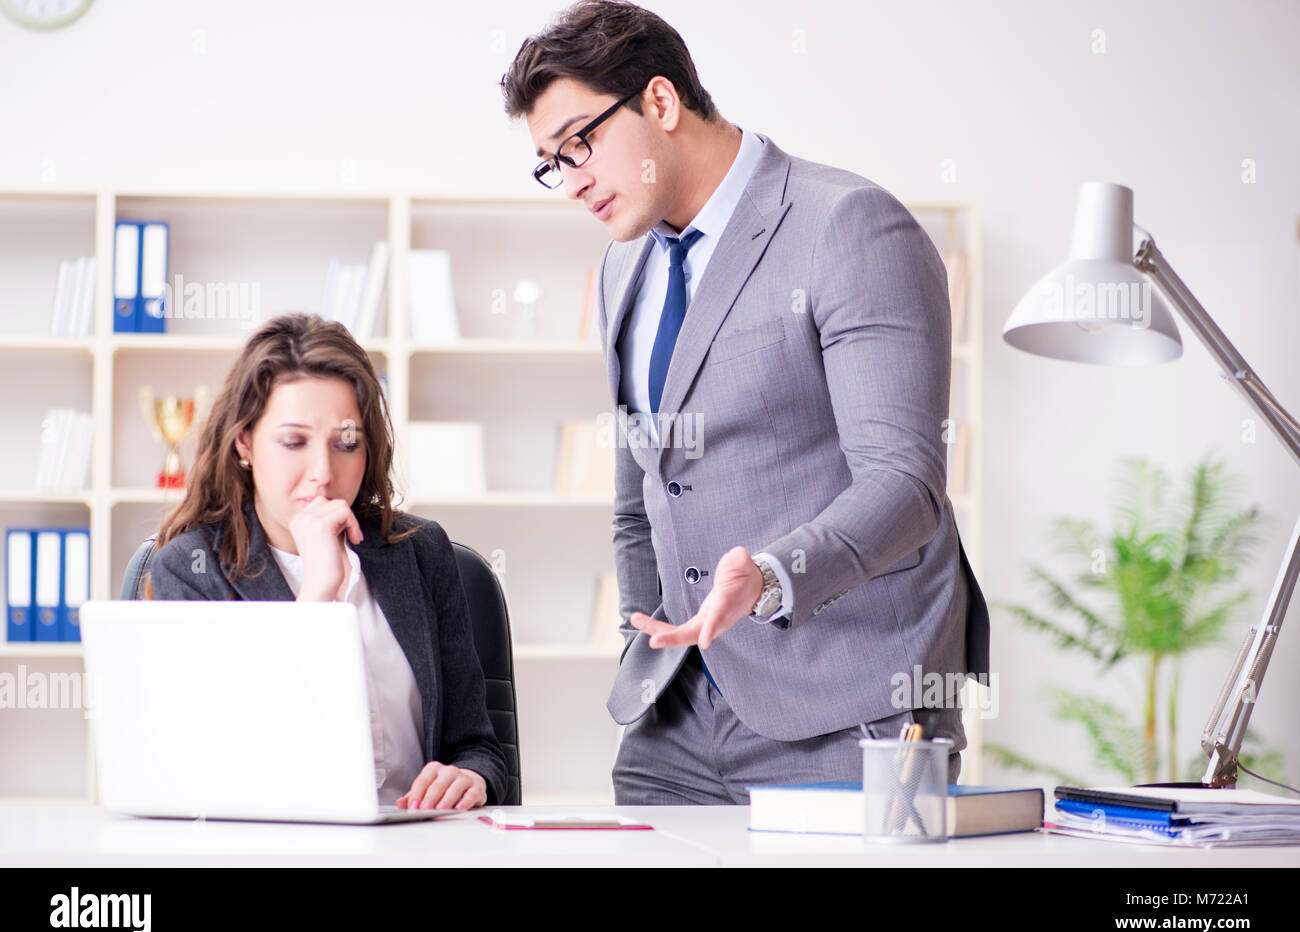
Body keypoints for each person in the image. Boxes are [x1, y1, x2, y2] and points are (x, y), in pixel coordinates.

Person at [502, 0, 990, 804]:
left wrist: (770, 577)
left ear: (660, 102)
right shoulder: (622, 269)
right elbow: (640, 497)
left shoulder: (848, 226)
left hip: (851, 707)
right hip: (677, 717)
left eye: (580, 142)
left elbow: (905, 482)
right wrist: (643, 631)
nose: (571, 179)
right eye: (552, 162)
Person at [146, 312, 507, 811]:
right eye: (294, 442)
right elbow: (214, 766)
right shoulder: (189, 570)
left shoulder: (421, 553)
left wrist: (471, 776)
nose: (323, 472)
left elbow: (479, 746)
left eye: (346, 443)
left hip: (418, 848)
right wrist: (316, 595)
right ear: (244, 442)